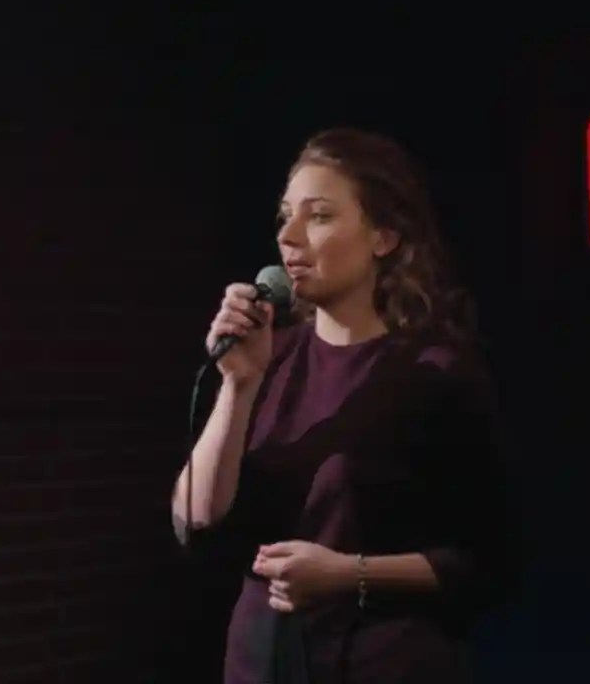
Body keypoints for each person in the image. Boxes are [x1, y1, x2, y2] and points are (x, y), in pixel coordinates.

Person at [171, 127, 519, 683]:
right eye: (285, 215)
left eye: (319, 216)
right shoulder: (268, 358)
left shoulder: (434, 372)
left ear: (384, 235)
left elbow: (490, 565)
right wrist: (239, 386)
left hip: (385, 663)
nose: (289, 236)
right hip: (264, 664)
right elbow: (195, 519)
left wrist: (348, 574)